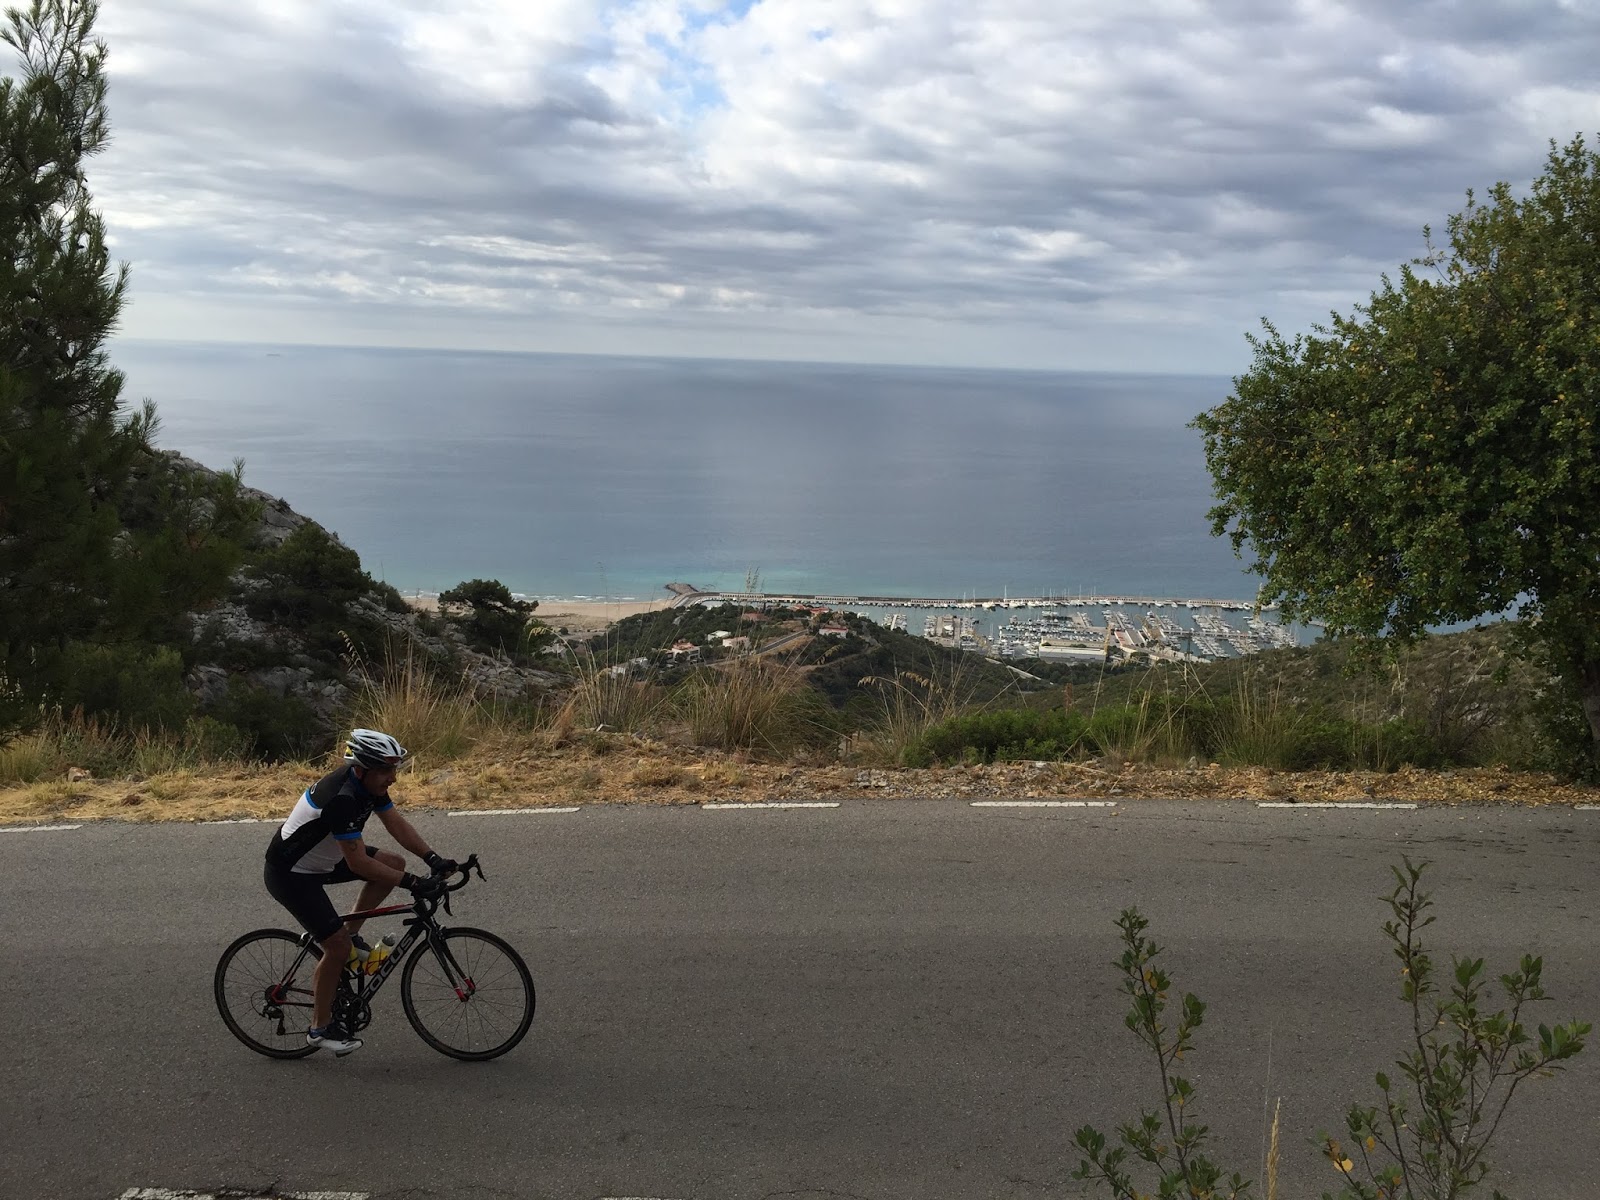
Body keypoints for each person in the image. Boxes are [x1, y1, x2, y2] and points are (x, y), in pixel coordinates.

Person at [263, 728, 458, 1056]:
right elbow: (359, 865)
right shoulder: (342, 798)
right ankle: (319, 1028)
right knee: (336, 948)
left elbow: (395, 824)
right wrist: (413, 882)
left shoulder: (369, 783)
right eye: (386, 771)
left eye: (394, 769)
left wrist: (432, 858)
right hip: (291, 874)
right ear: (362, 768)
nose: (392, 778)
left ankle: (350, 935)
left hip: (325, 859)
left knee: (392, 864)